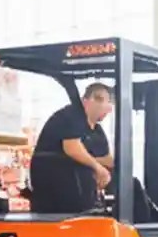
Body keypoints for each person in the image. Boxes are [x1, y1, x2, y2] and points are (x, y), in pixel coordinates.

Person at [29, 82, 114, 214]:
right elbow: (72, 148)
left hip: (77, 177)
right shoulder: (71, 115)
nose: (109, 110)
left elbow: (103, 157)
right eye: (106, 103)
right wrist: (98, 168)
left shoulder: (97, 130)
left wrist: (120, 167)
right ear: (89, 101)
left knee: (129, 184)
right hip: (56, 177)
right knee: (85, 175)